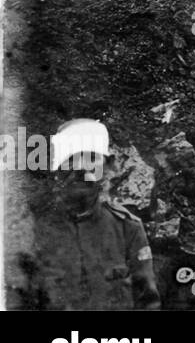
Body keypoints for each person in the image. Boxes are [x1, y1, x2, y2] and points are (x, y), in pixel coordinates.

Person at [17, 119, 160, 310]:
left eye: (92, 158)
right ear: (57, 170)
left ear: (107, 166)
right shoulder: (34, 229)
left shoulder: (128, 228)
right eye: (71, 159)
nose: (81, 168)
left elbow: (148, 303)